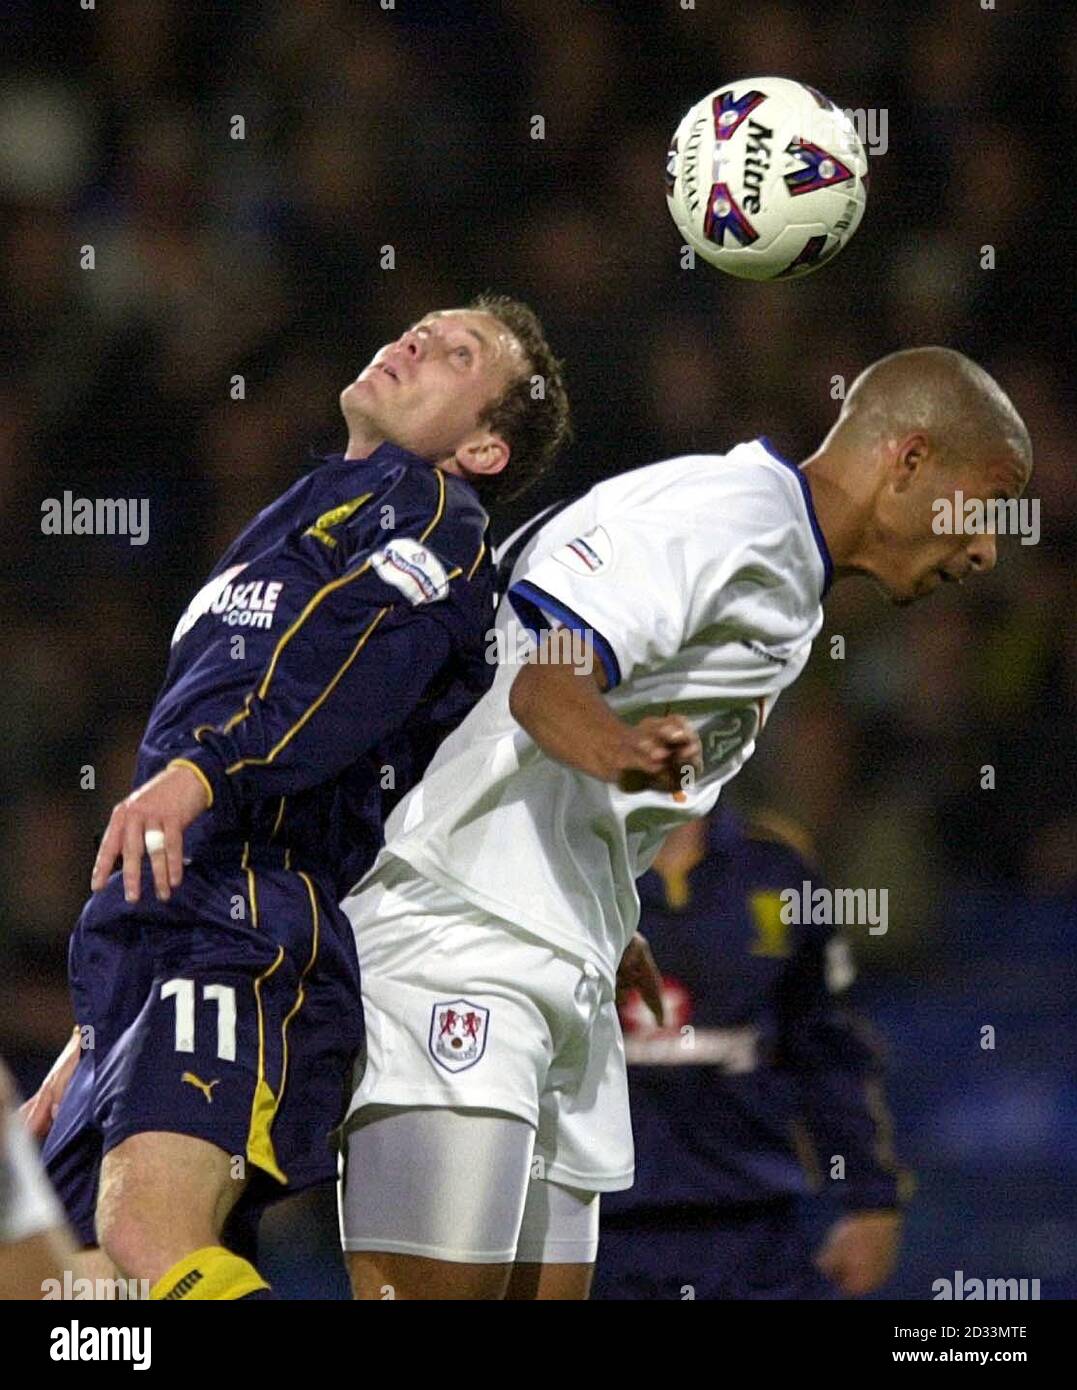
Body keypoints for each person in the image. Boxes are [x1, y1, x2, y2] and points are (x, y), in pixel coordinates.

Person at [337, 346, 1031, 1300]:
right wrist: (617, 747)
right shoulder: (727, 516)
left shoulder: (788, 582)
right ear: (907, 462)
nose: (989, 547)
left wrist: (604, 904)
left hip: (560, 957)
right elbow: (551, 674)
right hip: (459, 932)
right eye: (985, 505)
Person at [24, 295, 570, 1300]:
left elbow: (348, 667)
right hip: (159, 937)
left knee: (145, 1231)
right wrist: (95, 1028)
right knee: (62, 1286)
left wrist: (207, 770)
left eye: (458, 353)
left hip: (253, 919)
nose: (414, 339)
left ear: (486, 449)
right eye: (421, 326)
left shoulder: (435, 520)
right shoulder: (299, 515)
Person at [593, 808, 911, 1300]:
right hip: (591, 1235)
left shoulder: (776, 872)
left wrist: (870, 1200)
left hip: (755, 1237)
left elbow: (826, 1046)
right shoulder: (558, 867)